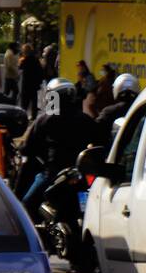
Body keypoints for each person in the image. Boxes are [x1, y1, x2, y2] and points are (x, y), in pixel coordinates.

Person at [17, 78, 93, 214]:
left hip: (53, 174)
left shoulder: (45, 119)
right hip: (80, 175)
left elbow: (27, 148)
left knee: (26, 206)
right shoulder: (86, 119)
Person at [92, 73, 139, 148]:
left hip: (113, 155)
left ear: (116, 88)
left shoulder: (108, 112)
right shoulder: (143, 109)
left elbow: (95, 133)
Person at [18, 44, 44, 118]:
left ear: (25, 51)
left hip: (26, 83)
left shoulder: (24, 60)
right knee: (34, 100)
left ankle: (23, 115)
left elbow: (20, 67)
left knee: (25, 101)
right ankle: (34, 115)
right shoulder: (36, 59)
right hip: (35, 83)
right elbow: (40, 71)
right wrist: (39, 81)